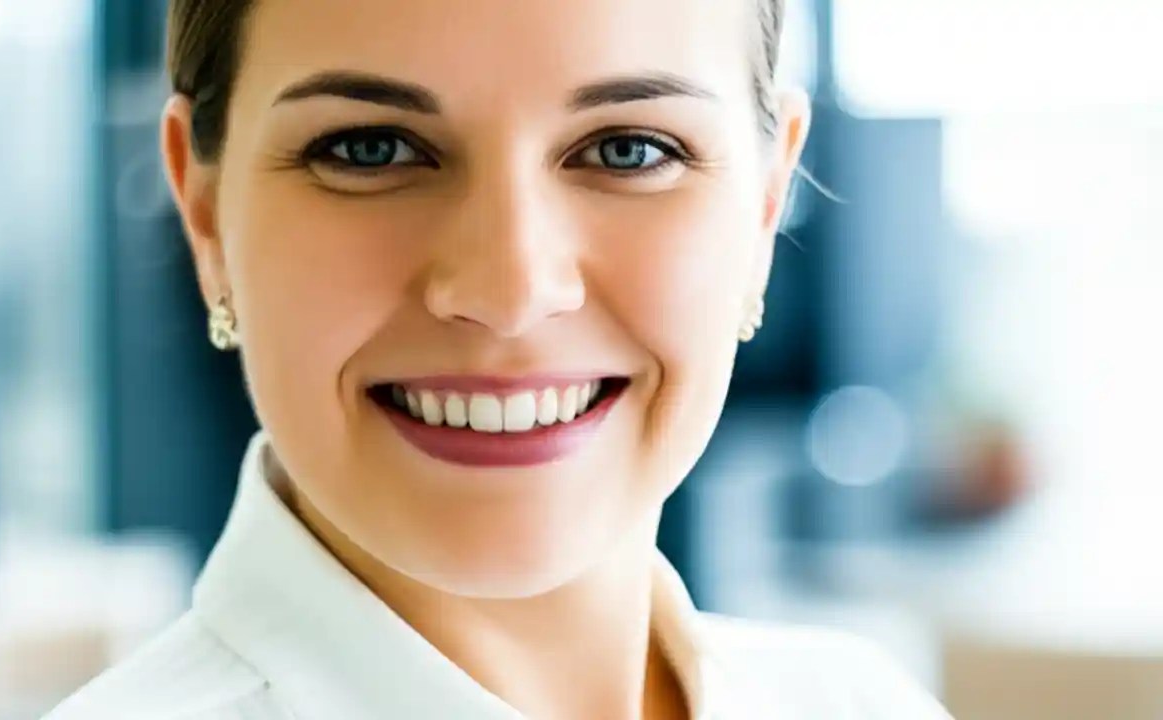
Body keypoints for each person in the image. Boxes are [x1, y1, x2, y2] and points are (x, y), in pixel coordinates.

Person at [48, 0, 954, 717]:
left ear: (762, 206)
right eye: (371, 150)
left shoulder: (860, 701)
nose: (509, 289)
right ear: (205, 215)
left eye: (627, 150)